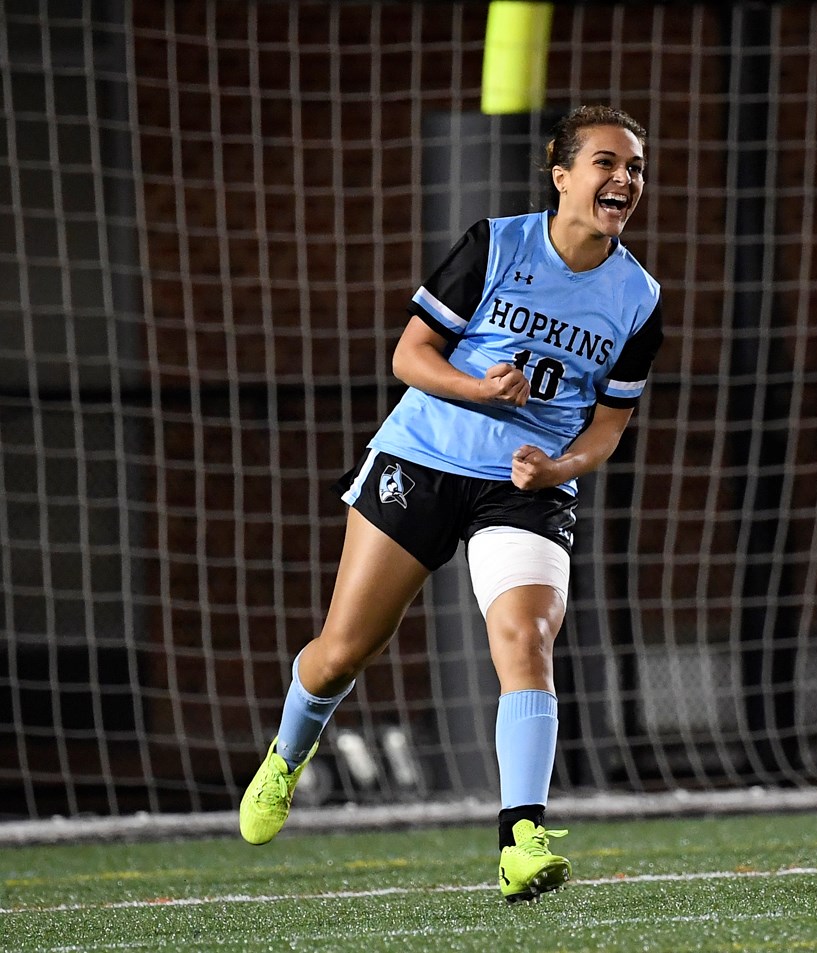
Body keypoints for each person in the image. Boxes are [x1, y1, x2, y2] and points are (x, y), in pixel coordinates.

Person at [238, 105, 663, 902]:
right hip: (424, 459)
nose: (624, 179)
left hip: (523, 489)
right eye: (607, 162)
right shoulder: (497, 243)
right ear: (562, 174)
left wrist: (558, 465)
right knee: (342, 652)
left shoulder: (638, 297)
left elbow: (609, 427)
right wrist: (478, 386)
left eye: (635, 167)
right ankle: (288, 756)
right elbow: (409, 355)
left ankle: (520, 837)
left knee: (526, 640)